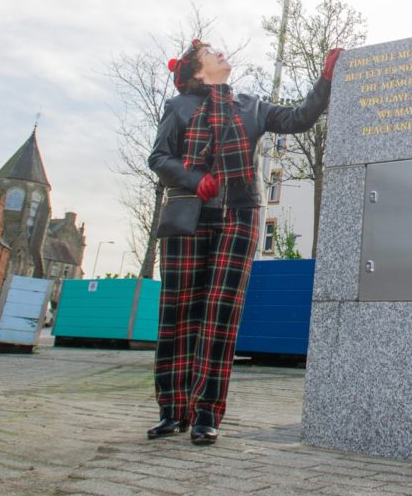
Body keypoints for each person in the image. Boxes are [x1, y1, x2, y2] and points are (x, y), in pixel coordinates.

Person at [145, 38, 339, 446]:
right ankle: (171, 409)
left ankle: (205, 415)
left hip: (238, 216)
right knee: (178, 313)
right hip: (188, 217)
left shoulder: (250, 106)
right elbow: (160, 158)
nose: (221, 53)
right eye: (211, 52)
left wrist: (325, 80)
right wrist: (196, 180)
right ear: (198, 71)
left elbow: (300, 118)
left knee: (220, 317)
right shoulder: (178, 109)